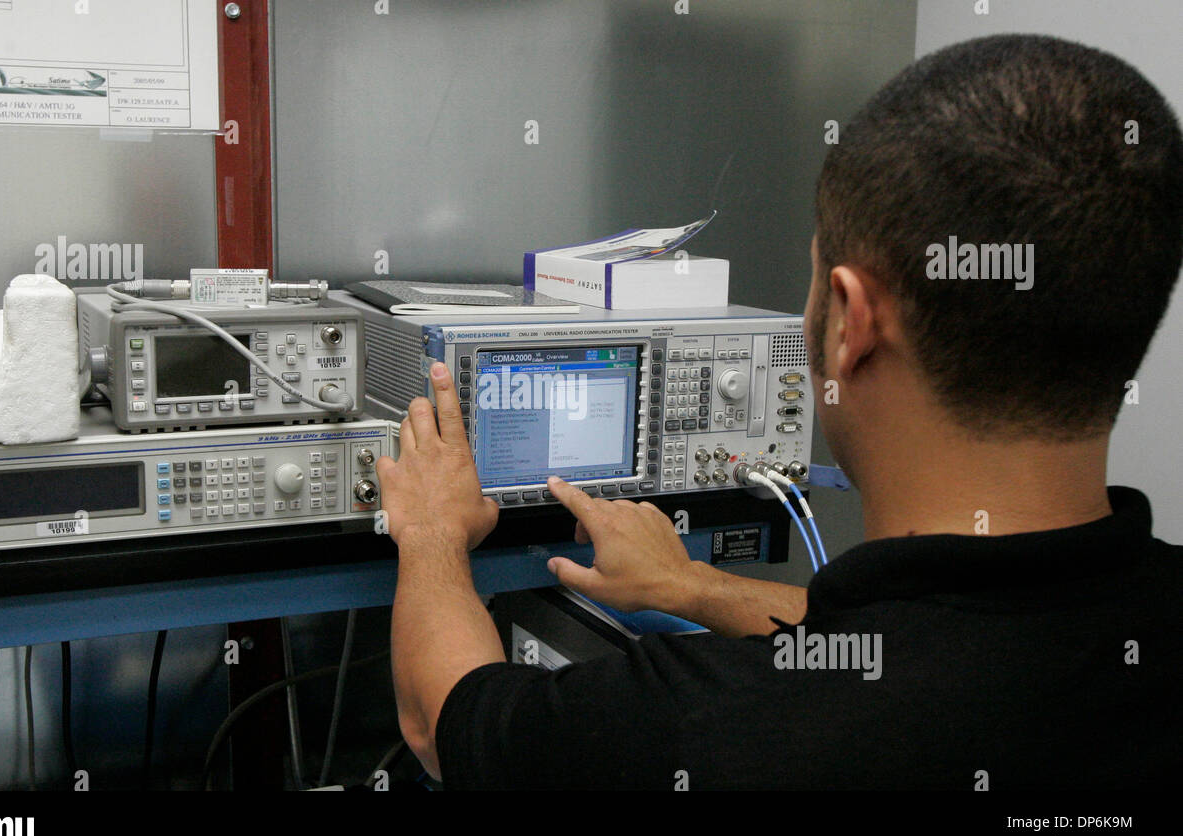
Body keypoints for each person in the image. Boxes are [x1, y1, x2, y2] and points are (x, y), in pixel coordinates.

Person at [374, 34, 1183, 789]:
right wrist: (691, 586)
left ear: (850, 322)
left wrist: (435, 535)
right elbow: (921, 645)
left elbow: (441, 718)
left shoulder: (699, 727)